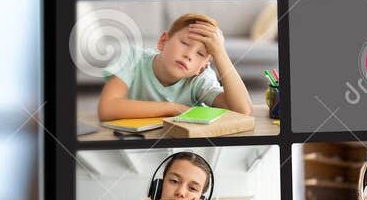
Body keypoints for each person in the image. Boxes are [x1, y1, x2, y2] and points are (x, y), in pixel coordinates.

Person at [98, 12, 252, 121]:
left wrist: (220, 53)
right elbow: (107, 108)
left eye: (200, 54)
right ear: (163, 41)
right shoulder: (132, 57)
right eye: (185, 43)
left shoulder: (200, 78)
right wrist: (172, 108)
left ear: (203, 67)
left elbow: (243, 111)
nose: (189, 55)